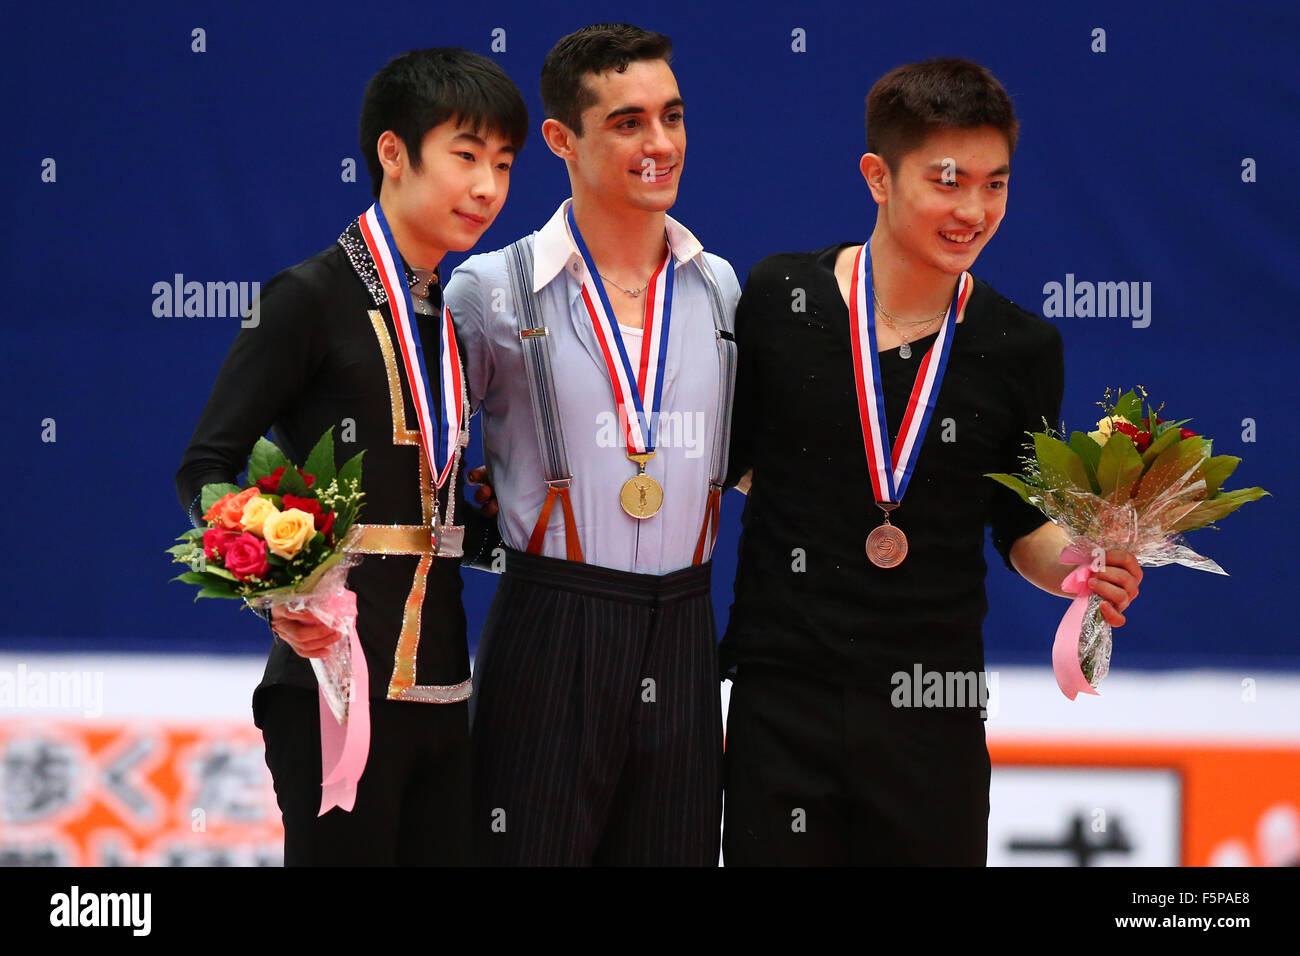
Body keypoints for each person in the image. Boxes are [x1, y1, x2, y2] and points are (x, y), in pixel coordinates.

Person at [720, 57, 1143, 866]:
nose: (974, 209)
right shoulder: (780, 298)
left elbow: (1020, 524)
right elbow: (733, 460)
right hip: (784, 695)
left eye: (995, 185)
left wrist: (1086, 567)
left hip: (934, 709)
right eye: (948, 182)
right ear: (878, 175)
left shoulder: (1021, 347)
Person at [174, 48, 527, 865]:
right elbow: (206, 463)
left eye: (504, 166)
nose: (488, 188)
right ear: (393, 153)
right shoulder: (306, 298)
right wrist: (276, 591)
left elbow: (430, 510)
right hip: (334, 686)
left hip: (446, 687)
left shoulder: (454, 315)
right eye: (466, 156)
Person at [444, 23, 741, 866]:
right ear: (560, 140)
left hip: (687, 627)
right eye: (628, 123)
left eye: (672, 117)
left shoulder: (717, 285)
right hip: (551, 623)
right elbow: (422, 451)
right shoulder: (490, 290)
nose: (661, 144)